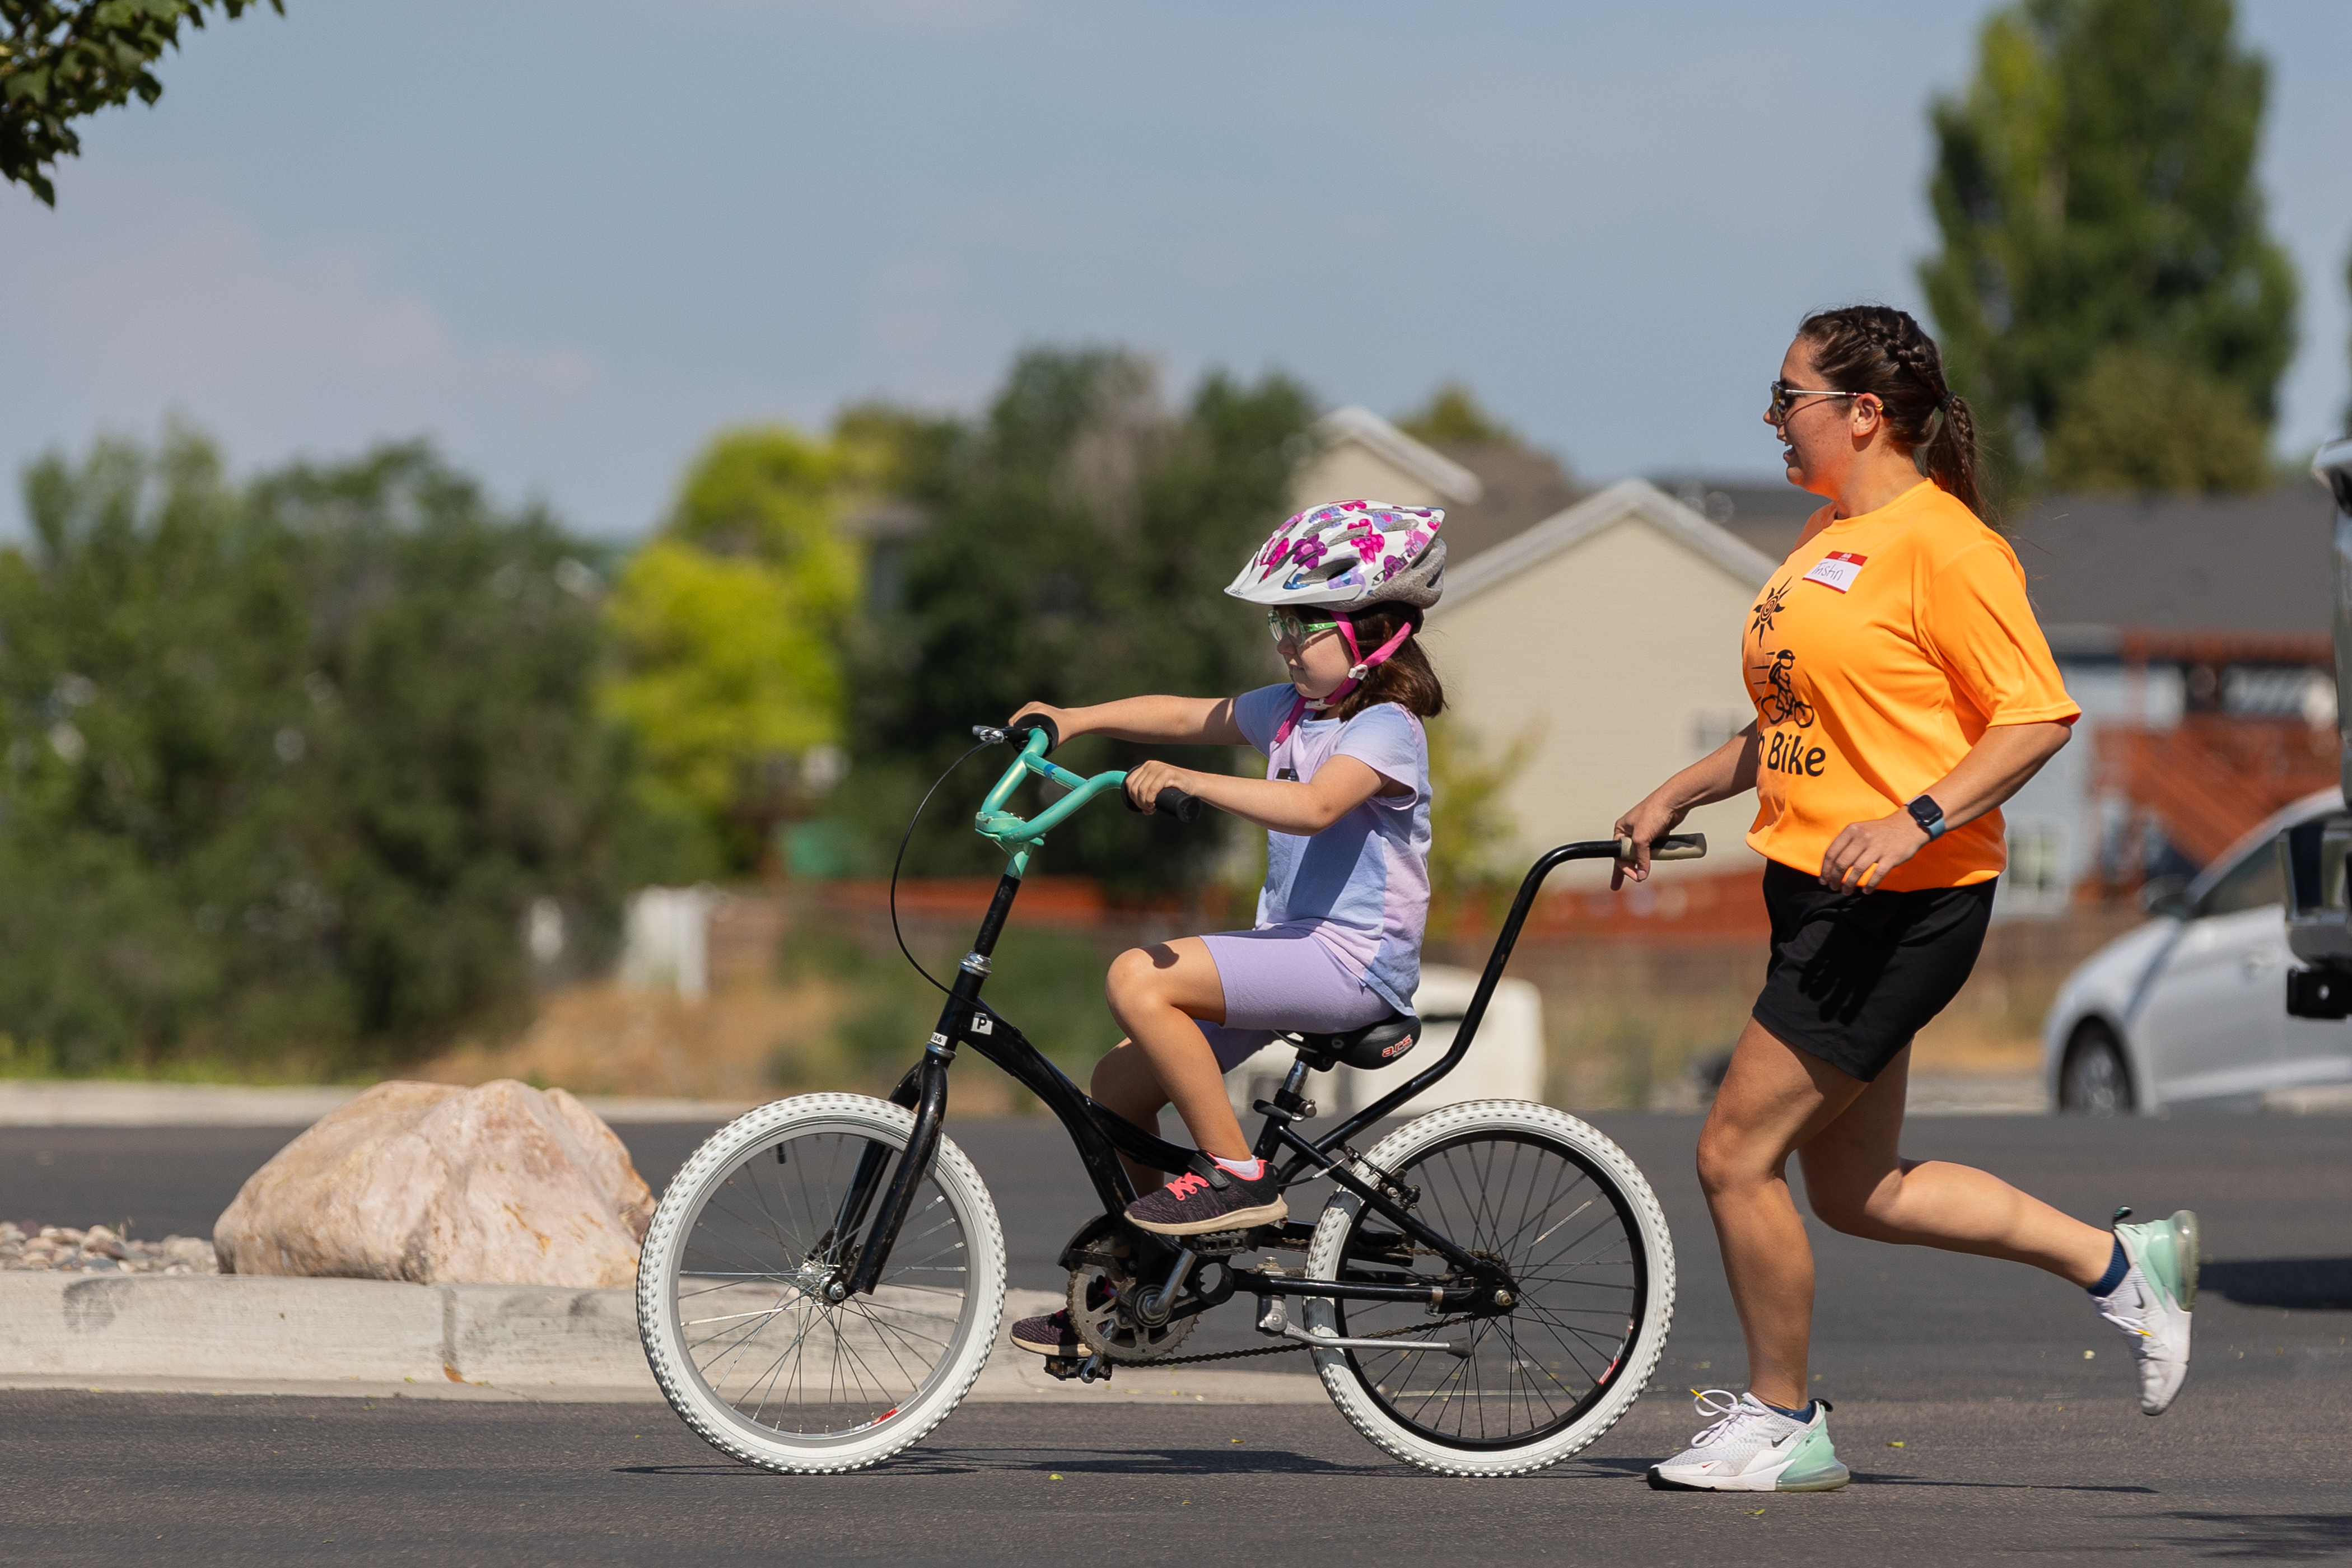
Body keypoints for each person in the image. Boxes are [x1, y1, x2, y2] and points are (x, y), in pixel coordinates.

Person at [1612, 305, 2199, 1493]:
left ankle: (1786, 1420)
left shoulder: (1947, 545)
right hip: (1818, 888)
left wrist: (1916, 815)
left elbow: (2035, 713)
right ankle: (2121, 1262)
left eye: (1789, 398)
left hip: (1901, 899)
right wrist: (1679, 789)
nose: (1773, 418)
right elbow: (1798, 719)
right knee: (1857, 1189)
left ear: (1862, 413)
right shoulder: (1827, 538)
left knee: (1733, 1154)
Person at [1001, 500, 1447, 1361]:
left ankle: (1235, 1174)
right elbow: (1188, 715)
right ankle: (1146, 1275)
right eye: (1281, 621)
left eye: (1305, 624)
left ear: (1377, 633)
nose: (1285, 641)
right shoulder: (1292, 711)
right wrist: (1082, 718)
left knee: (1140, 976)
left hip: (1352, 964)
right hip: (1295, 949)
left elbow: (1316, 807)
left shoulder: (1386, 729)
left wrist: (1193, 785)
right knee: (1118, 1086)